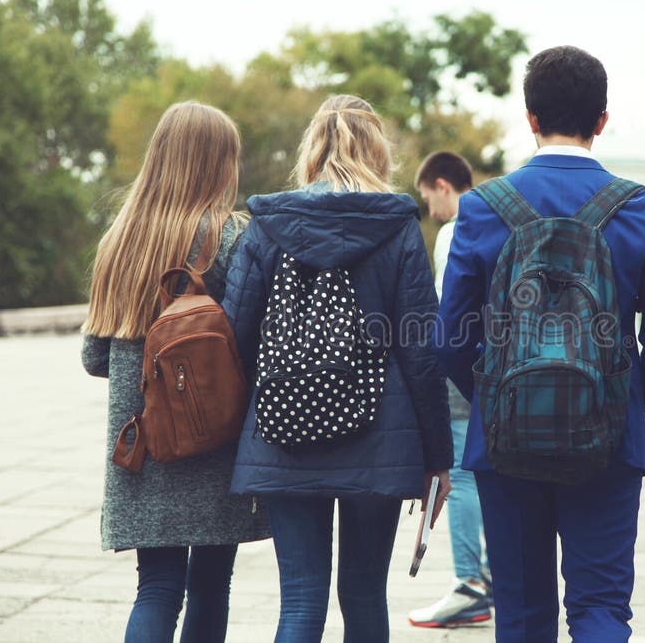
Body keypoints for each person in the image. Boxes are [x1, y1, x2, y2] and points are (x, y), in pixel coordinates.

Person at [435, 45, 645, 642]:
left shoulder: (480, 209)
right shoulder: (643, 209)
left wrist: (497, 400)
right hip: (607, 443)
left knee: (522, 615)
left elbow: (449, 339)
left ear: (529, 118)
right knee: (600, 608)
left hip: (503, 445)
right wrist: (619, 396)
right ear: (602, 120)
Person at [222, 94, 453, 643]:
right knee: (364, 594)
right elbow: (421, 349)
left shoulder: (268, 225)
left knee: (300, 598)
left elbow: (234, 334)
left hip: (283, 430)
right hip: (379, 437)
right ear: (376, 150)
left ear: (312, 148)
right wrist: (437, 457)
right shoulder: (397, 227)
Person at [80, 101, 271, 643]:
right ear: (218, 164)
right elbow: (254, 348)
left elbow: (95, 357)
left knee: (157, 588)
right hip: (215, 444)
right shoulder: (231, 239)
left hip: (142, 445)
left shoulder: (121, 240)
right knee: (212, 585)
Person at [408, 151, 493, 628]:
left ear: (443, 186)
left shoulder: (453, 232)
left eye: (427, 197)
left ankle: (470, 586)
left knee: (458, 477)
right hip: (498, 365)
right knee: (488, 475)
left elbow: (448, 311)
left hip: (460, 365)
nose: (430, 208)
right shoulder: (499, 220)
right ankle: (492, 577)